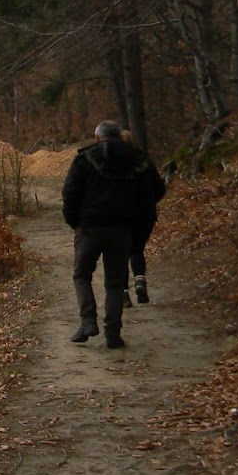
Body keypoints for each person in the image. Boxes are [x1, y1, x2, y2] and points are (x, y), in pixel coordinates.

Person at [61, 119, 166, 349]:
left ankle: (88, 321)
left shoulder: (84, 159)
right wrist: (138, 218)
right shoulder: (139, 160)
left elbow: (69, 193)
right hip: (122, 229)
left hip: (89, 227)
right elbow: (158, 190)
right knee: (115, 284)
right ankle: (112, 334)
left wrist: (75, 222)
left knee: (81, 276)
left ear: (97, 138)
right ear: (119, 136)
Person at [121, 129, 157, 303]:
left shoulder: (111, 162)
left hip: (120, 215)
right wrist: (149, 203)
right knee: (136, 250)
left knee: (119, 253)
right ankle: (140, 282)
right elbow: (159, 188)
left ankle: (123, 294)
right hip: (144, 215)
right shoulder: (144, 161)